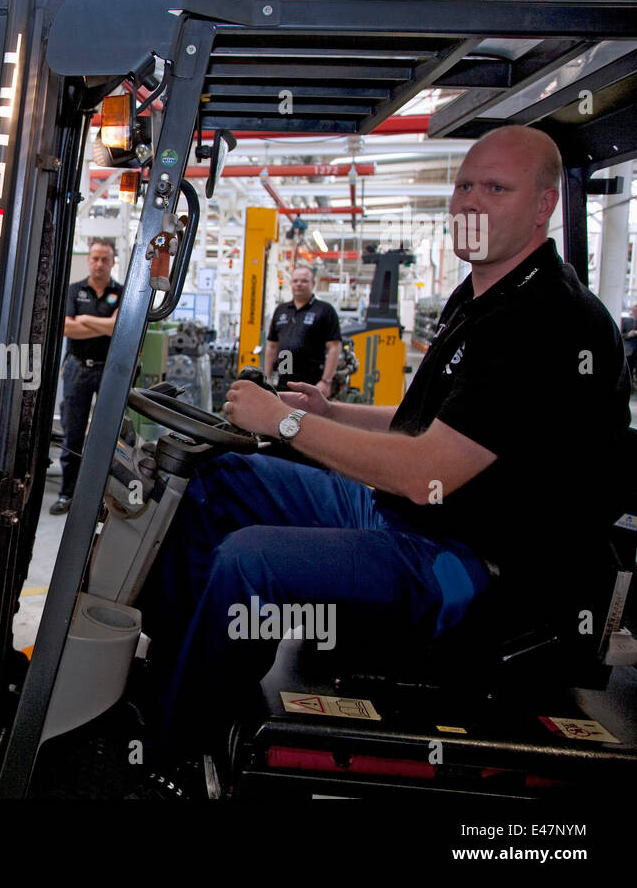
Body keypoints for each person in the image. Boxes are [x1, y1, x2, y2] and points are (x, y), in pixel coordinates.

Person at [148, 125, 631, 757]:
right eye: (463, 186)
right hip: (410, 519)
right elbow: (426, 422)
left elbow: (422, 469)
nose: (469, 203)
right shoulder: (486, 291)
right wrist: (331, 410)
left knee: (249, 560)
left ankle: (183, 747)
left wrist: (287, 422)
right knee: (222, 481)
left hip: (472, 566)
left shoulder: (546, 321)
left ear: (543, 205)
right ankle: (174, 673)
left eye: (495, 188)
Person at [51, 238, 123, 515]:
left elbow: (119, 328)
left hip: (110, 370)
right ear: (88, 260)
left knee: (108, 434)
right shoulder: (73, 290)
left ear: (113, 261)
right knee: (73, 435)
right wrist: (103, 326)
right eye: (95, 258)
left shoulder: (122, 291)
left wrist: (85, 320)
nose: (99, 264)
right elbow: (66, 328)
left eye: (105, 259)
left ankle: (102, 498)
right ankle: (68, 494)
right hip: (77, 369)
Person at [263, 264, 341, 396]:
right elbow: (271, 346)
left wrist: (326, 381)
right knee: (283, 416)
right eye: (295, 281)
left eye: (304, 281)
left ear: (313, 283)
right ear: (291, 284)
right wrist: (267, 377)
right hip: (284, 379)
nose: (299, 284)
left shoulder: (324, 310)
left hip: (312, 381)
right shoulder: (281, 310)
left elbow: (334, 347)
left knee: (308, 417)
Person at [621, 302, 637, 389]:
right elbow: (621, 335)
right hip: (629, 350)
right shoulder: (626, 321)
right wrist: (628, 334)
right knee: (628, 370)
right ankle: (628, 387)